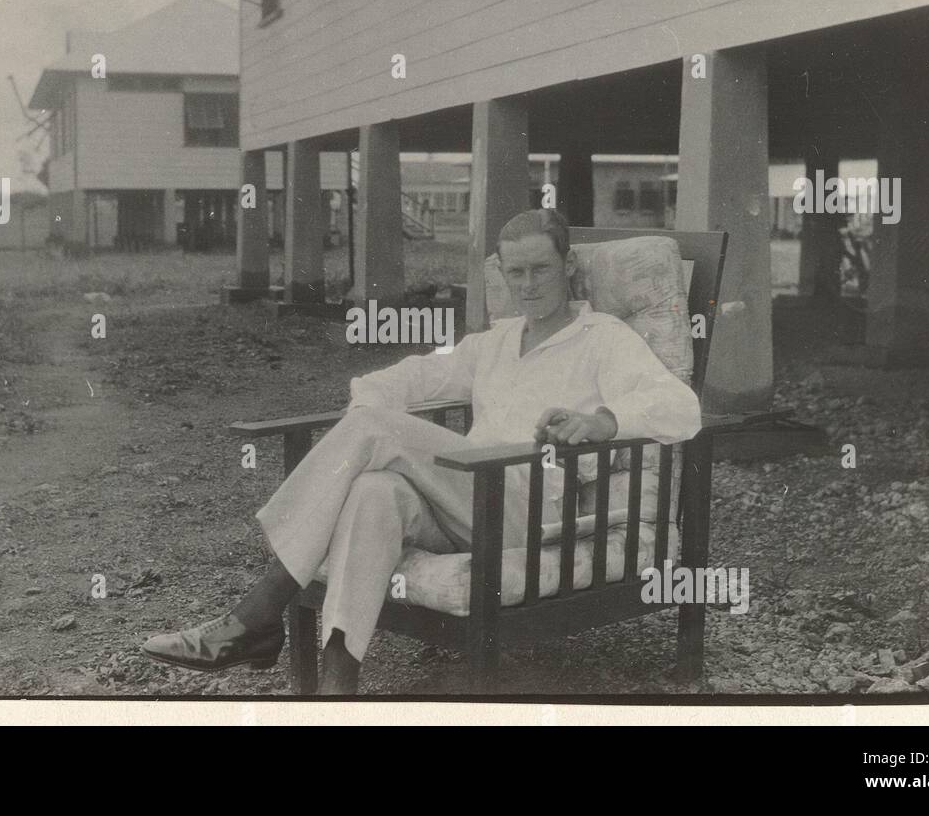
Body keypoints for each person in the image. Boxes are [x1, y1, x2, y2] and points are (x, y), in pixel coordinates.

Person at [142, 209, 702, 693]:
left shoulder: (603, 338)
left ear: (570, 268)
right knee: (372, 489)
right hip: (466, 499)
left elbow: (681, 408)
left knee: (376, 437)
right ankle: (338, 689)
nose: (528, 285)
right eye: (515, 273)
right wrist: (369, 408)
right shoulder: (497, 342)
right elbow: (405, 379)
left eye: (541, 270)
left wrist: (604, 420)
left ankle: (259, 614)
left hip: (530, 512)